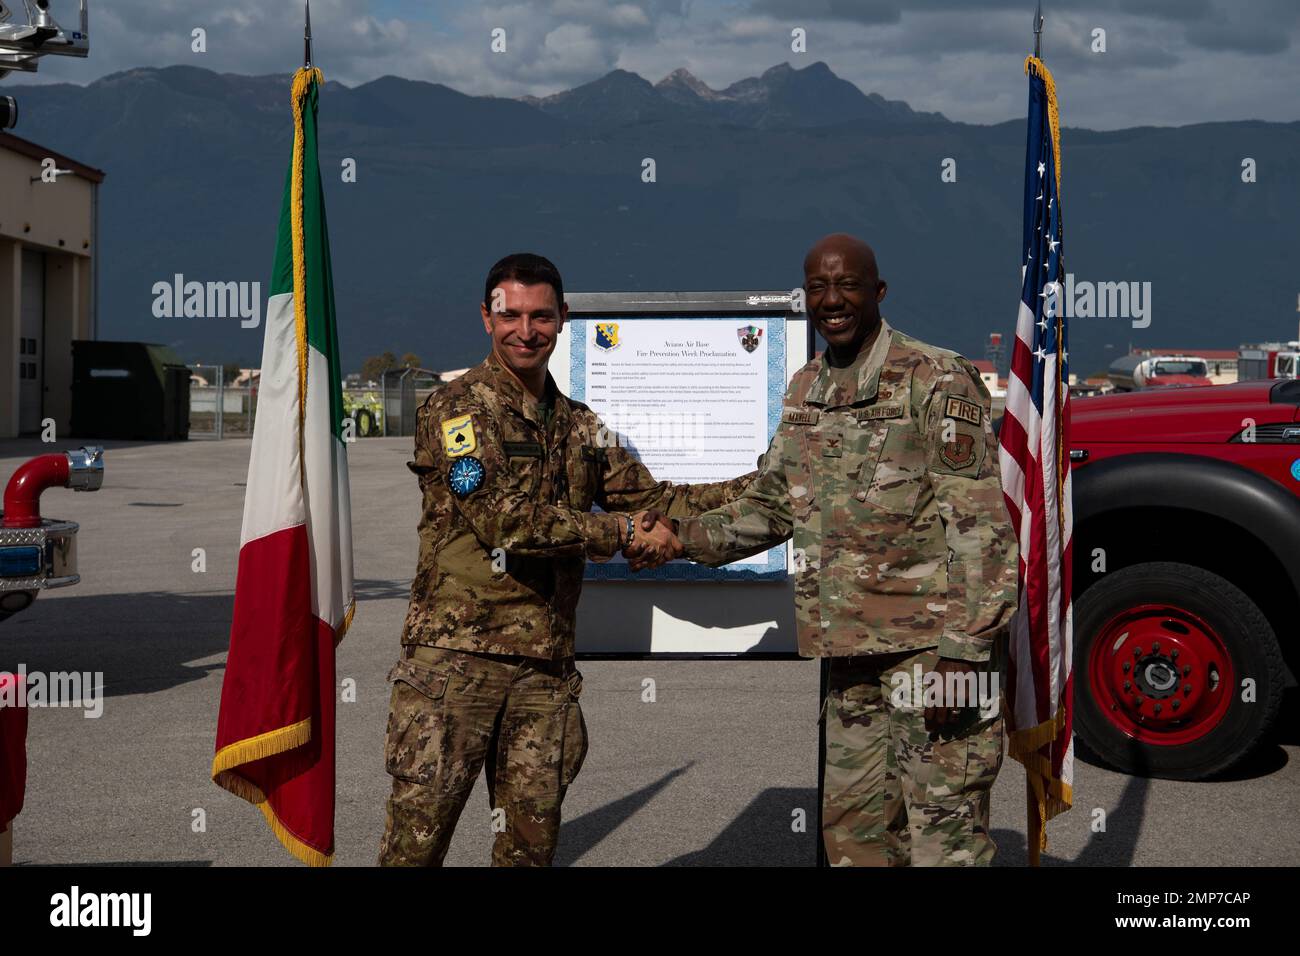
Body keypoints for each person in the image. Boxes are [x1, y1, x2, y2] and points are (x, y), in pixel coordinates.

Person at [639, 233, 1019, 865]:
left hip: (934, 660)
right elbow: (771, 506)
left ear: (878, 291)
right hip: (851, 662)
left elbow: (981, 529)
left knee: (944, 840)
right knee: (854, 843)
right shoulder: (806, 388)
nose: (832, 299)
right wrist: (681, 537)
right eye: (818, 286)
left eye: (847, 285)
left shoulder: (934, 377)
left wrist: (966, 653)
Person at [379, 252, 750, 866]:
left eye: (541, 316)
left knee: (530, 851)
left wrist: (766, 484)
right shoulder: (456, 412)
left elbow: (657, 502)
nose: (526, 330)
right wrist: (623, 530)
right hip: (455, 668)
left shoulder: (583, 428)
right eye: (512, 316)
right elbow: (505, 522)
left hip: (543, 673)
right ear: (486, 318)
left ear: (563, 319)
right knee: (414, 850)